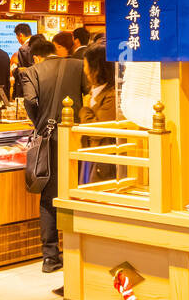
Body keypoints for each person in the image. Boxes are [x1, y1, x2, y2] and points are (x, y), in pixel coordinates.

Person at [20, 37, 90, 273]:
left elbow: (30, 99)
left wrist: (40, 123)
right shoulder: (78, 65)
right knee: (80, 193)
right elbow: (89, 93)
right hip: (79, 137)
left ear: (37, 56)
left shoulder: (31, 71)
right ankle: (79, 250)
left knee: (49, 197)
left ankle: (51, 256)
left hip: (49, 140)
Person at [80, 44, 118, 184]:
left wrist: (85, 108)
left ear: (96, 68)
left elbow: (96, 130)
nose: (84, 70)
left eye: (86, 65)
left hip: (102, 159)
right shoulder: (95, 91)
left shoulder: (112, 95)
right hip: (92, 154)